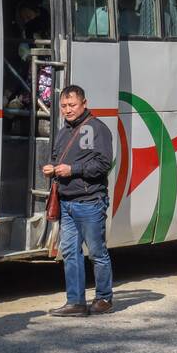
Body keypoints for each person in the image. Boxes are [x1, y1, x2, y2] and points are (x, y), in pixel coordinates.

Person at [46, 85, 116, 316]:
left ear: (84, 103)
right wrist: (52, 168)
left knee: (97, 252)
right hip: (66, 202)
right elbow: (56, 157)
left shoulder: (98, 129)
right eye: (64, 106)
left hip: (90, 202)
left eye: (72, 105)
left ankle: (104, 298)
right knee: (69, 252)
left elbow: (104, 164)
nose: (67, 110)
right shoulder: (63, 130)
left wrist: (73, 169)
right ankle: (75, 302)